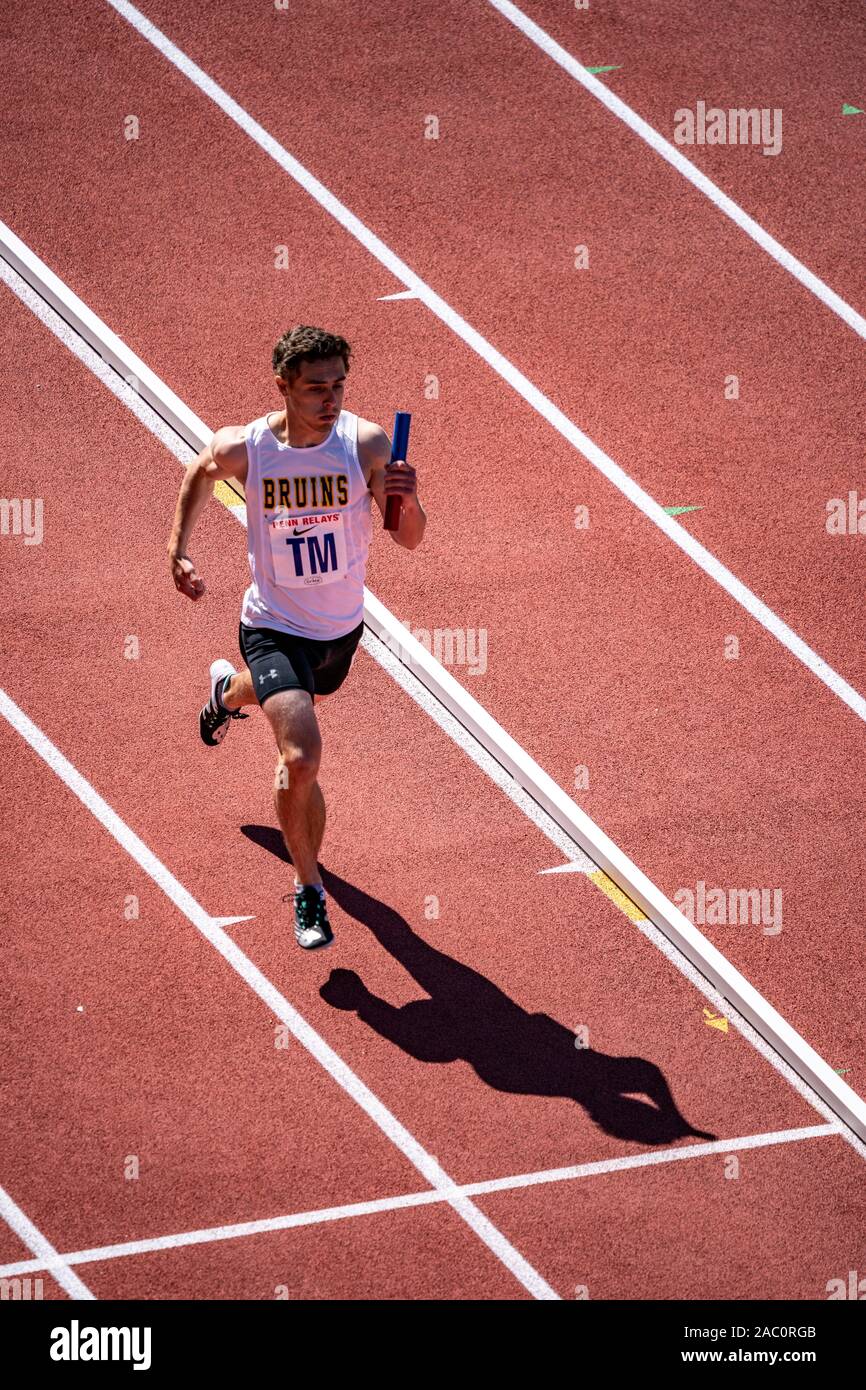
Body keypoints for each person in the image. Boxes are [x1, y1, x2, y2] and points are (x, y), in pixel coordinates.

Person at [167, 325, 426, 949]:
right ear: (283, 386)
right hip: (272, 626)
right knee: (302, 756)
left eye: (338, 385)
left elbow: (409, 538)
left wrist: (406, 500)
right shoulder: (251, 449)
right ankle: (309, 890)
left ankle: (226, 693)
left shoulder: (363, 444)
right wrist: (178, 550)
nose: (329, 398)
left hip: (340, 630)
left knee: (288, 693)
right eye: (314, 388)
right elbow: (200, 471)